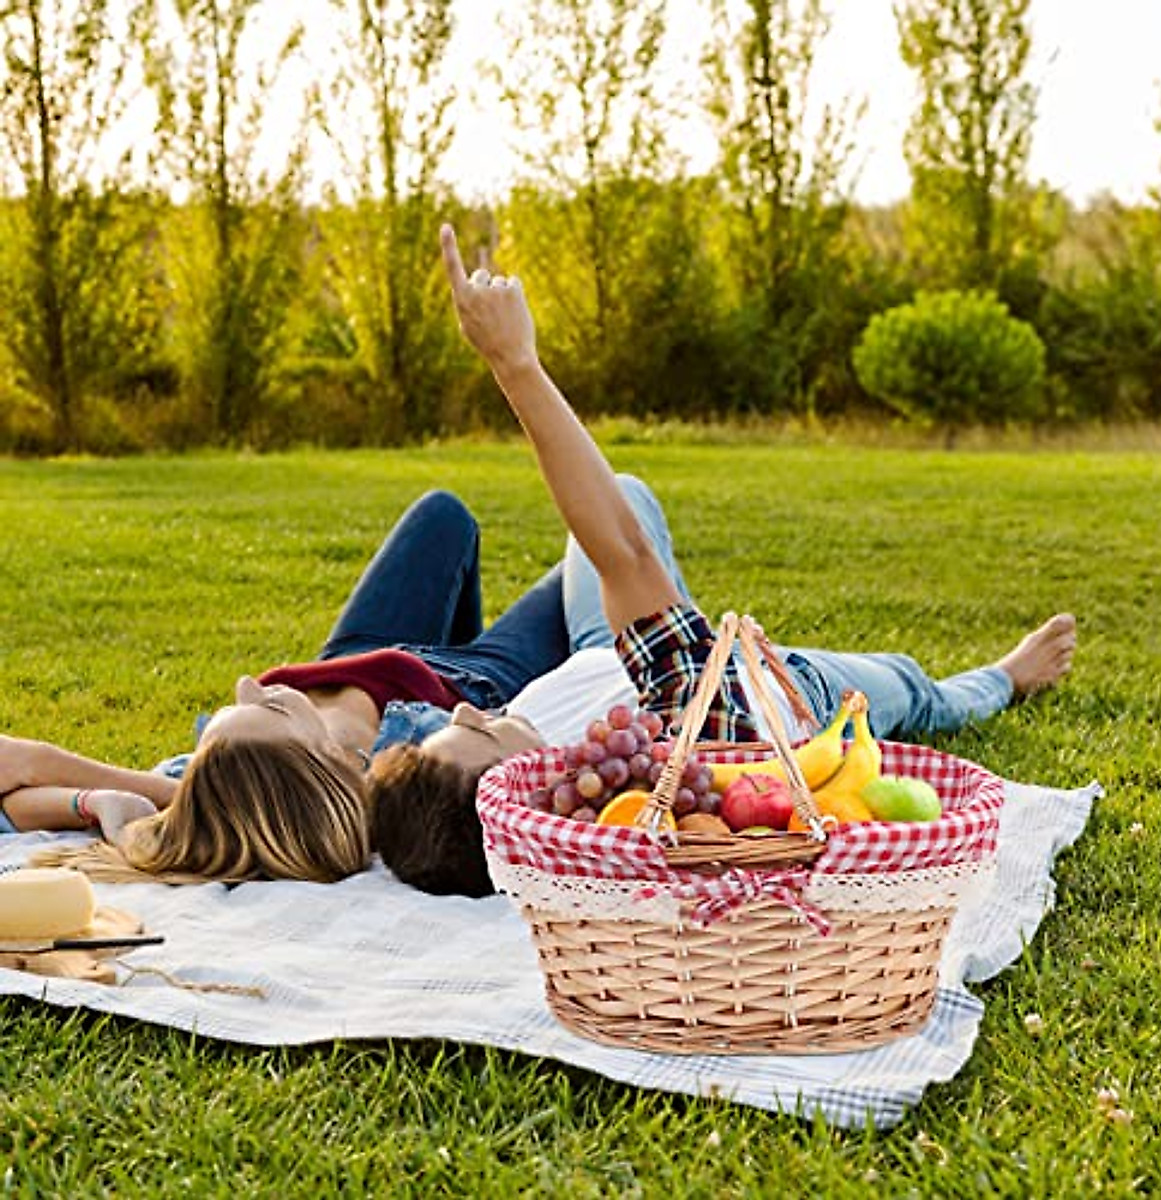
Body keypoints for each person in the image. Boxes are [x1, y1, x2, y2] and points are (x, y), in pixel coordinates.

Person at [367, 225, 1078, 896]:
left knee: (627, 492)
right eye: (478, 728)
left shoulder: (509, 770)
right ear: (529, 797)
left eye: (454, 722)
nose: (465, 707)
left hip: (605, 649)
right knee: (919, 690)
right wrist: (514, 363)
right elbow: (626, 555)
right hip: (786, 695)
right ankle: (1007, 676)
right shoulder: (675, 747)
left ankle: (674, 621)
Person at [6, 483, 676, 882]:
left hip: (363, 653)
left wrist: (87, 792)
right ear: (331, 763)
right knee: (614, 528)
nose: (246, 684)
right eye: (274, 707)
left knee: (444, 515)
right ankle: (670, 646)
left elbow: (12, 804)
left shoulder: (224, 777)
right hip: (467, 684)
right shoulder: (382, 791)